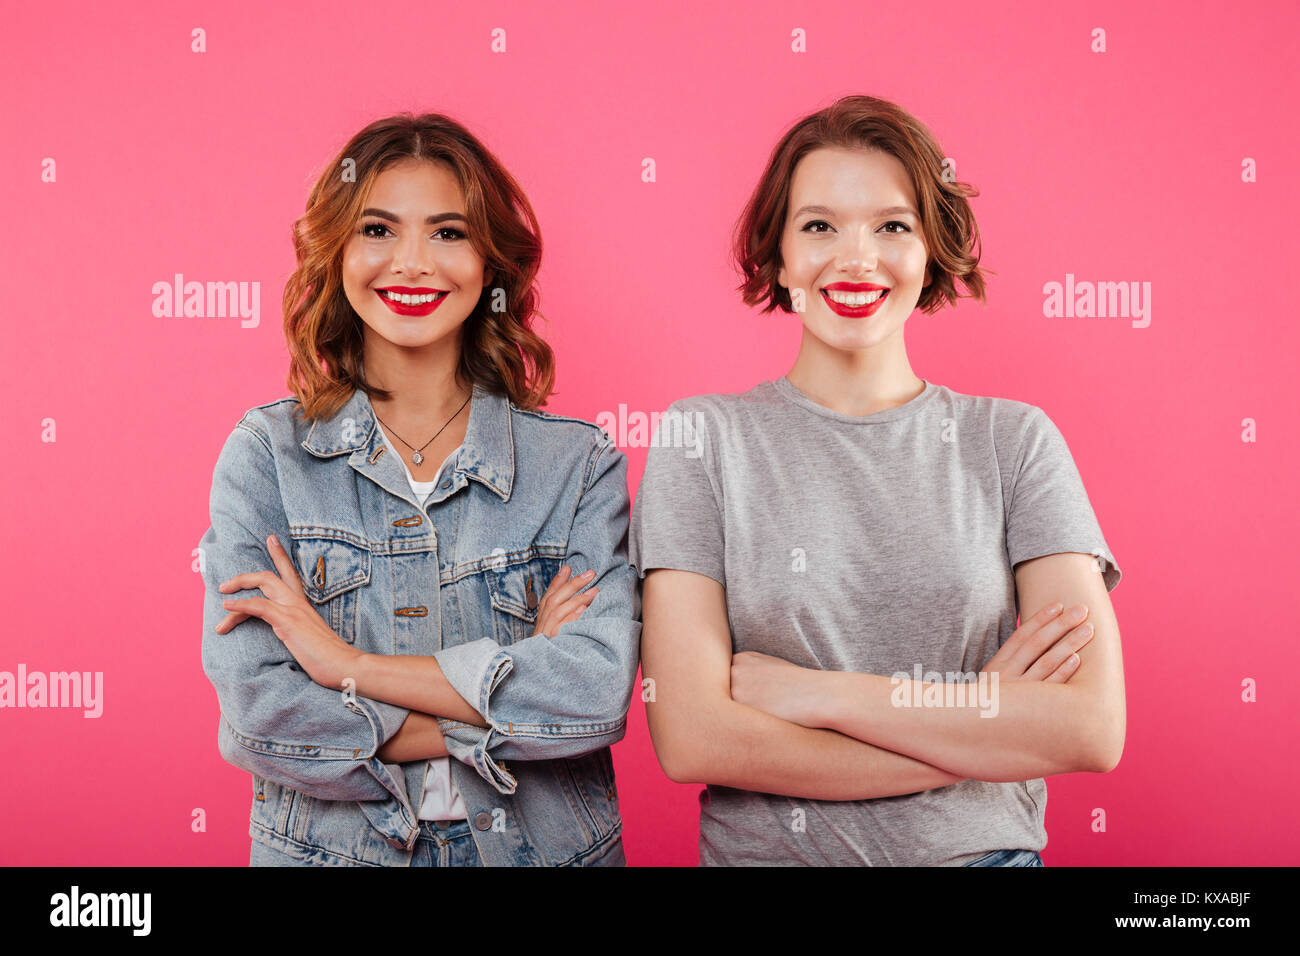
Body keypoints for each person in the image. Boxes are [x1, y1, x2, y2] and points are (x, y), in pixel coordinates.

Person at [629, 94, 1125, 867]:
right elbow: (694, 739)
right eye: (818, 226)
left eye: (892, 226)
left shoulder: (1014, 441)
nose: (856, 258)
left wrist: (822, 695)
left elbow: (1089, 728)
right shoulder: (703, 439)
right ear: (778, 255)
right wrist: (977, 724)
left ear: (931, 251)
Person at [199, 112, 640, 867]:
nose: (411, 263)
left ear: (490, 262)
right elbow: (262, 718)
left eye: (447, 233)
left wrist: (345, 666)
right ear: (337, 252)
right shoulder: (267, 457)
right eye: (377, 230)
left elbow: (593, 697)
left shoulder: (577, 464)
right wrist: (515, 679)